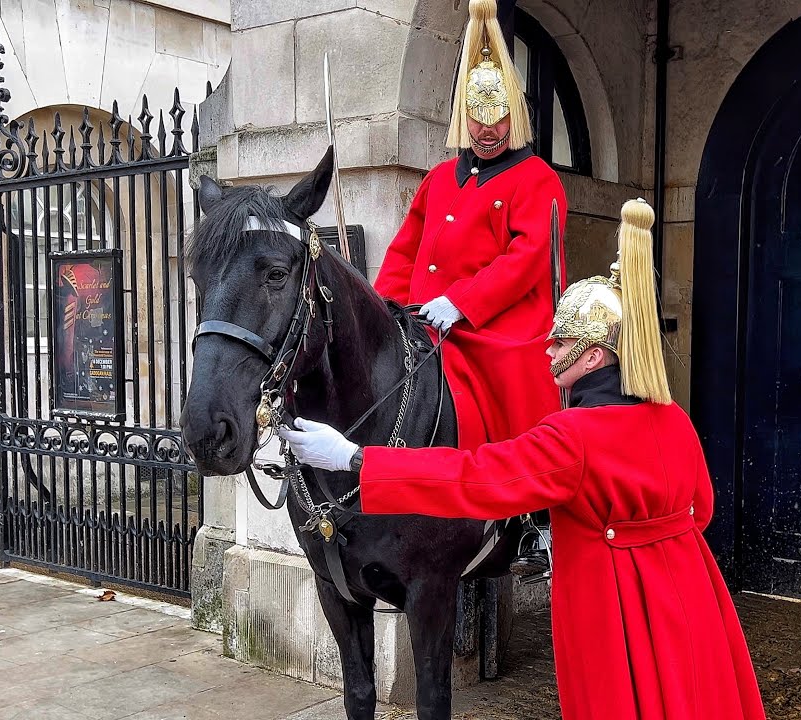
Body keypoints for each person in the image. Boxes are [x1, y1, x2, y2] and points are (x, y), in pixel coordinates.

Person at [282, 200, 767, 720]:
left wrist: (355, 458)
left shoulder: (573, 436)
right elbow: (701, 509)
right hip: (691, 597)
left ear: (594, 356)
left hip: (613, 604)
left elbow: (473, 479)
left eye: (562, 341)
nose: (549, 350)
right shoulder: (674, 419)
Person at [374, 0, 566, 455]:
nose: (487, 130)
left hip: (495, 326)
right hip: (423, 319)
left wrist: (462, 302)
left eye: (497, 117)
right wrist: (383, 310)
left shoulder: (538, 178)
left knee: (512, 386)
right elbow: (405, 252)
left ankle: (515, 488)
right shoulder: (440, 177)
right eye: (478, 118)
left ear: (514, 115)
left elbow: (527, 258)